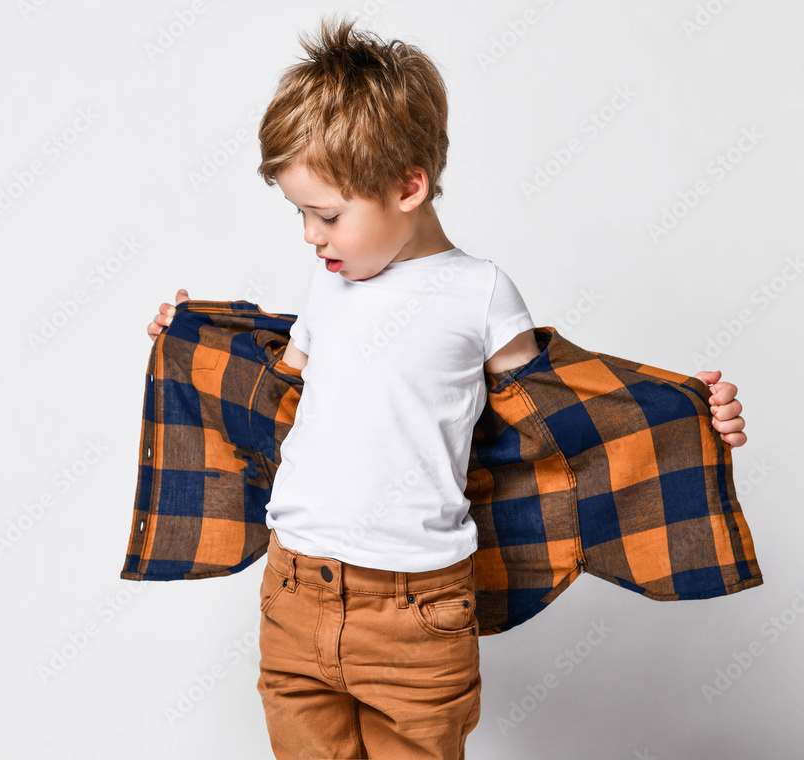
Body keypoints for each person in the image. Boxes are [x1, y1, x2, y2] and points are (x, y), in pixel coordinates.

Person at [145, 15, 747, 760]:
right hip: (294, 592)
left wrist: (690, 411)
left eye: (326, 214)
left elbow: (559, 401)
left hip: (417, 615)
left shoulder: (479, 292)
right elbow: (277, 382)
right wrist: (189, 334)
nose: (310, 234)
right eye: (300, 212)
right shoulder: (328, 281)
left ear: (408, 185)